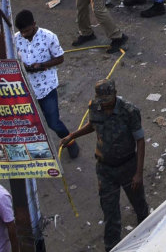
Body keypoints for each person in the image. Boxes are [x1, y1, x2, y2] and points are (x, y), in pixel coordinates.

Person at [60, 80, 147, 250]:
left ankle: (149, 236)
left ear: (115, 94)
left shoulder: (129, 111)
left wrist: (138, 173)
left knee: (139, 205)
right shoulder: (95, 106)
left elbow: (140, 140)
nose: (105, 104)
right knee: (110, 213)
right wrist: (72, 136)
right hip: (105, 169)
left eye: (108, 100)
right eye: (102, 100)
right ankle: (112, 247)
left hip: (128, 166)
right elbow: (93, 125)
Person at [11, 10, 77, 159]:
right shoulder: (15, 39)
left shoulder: (49, 36)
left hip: (46, 88)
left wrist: (42, 65)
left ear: (34, 24)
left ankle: (70, 141)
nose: (24, 34)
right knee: (30, 124)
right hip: (26, 89)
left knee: (53, 123)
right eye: (22, 32)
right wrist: (24, 67)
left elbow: (60, 58)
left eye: (27, 31)